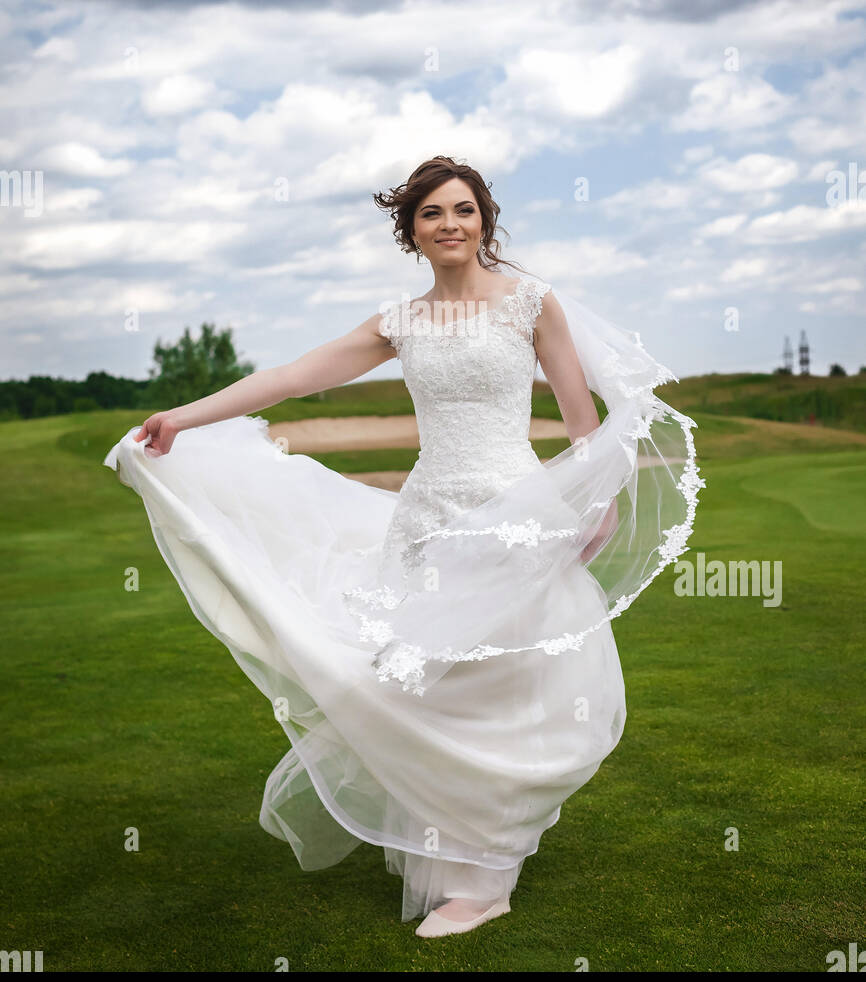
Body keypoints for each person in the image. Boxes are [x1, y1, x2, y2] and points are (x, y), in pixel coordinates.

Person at [104, 154, 703, 939]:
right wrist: (184, 415)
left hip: (512, 514)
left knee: (504, 685)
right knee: (421, 687)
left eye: (463, 209)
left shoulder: (532, 304)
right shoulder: (401, 321)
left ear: (485, 219)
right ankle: (464, 854)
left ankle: (487, 877)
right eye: (432, 214)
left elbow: (580, 420)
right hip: (424, 520)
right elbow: (291, 376)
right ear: (410, 230)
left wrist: (596, 505)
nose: (450, 224)